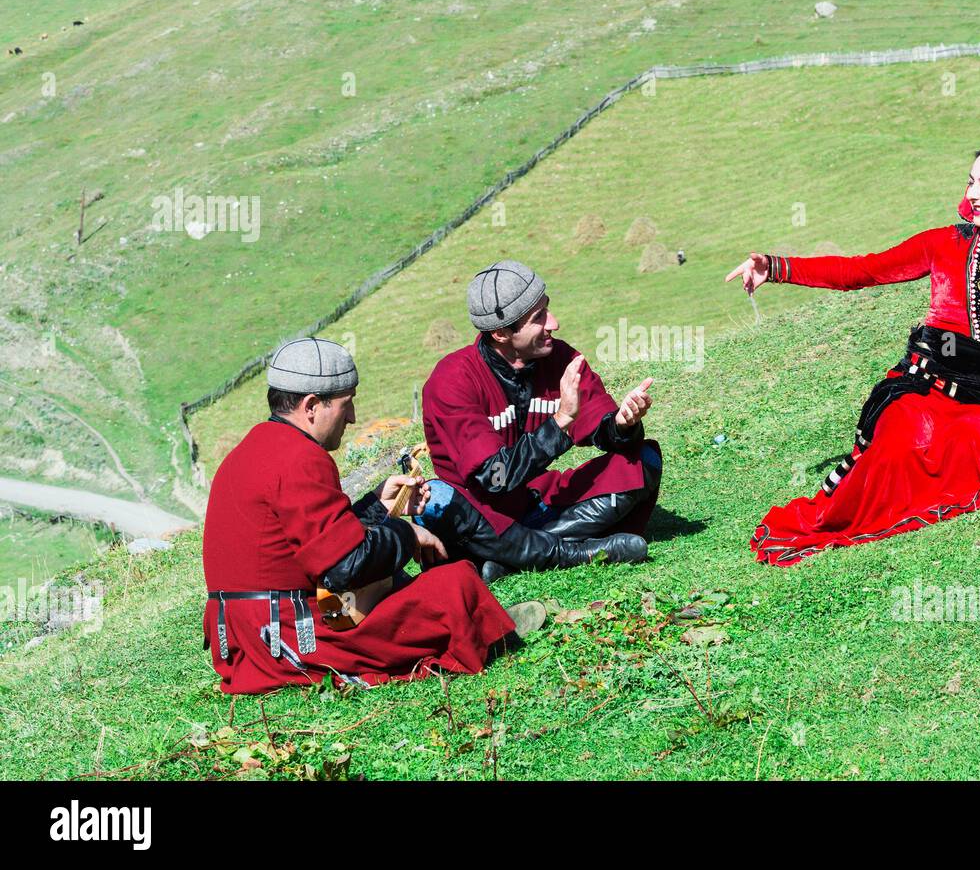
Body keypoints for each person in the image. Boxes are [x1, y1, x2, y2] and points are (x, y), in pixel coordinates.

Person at [726, 142, 980, 565]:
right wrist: (776, 267)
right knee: (906, 432)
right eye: (970, 182)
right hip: (925, 388)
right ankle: (843, 515)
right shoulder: (944, 243)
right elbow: (860, 272)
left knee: (976, 443)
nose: (972, 194)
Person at [202, 337, 519, 694]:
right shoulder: (301, 458)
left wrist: (377, 506)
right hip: (285, 638)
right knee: (453, 583)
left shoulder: (251, 449)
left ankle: (486, 623)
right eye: (346, 404)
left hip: (246, 638)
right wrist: (408, 534)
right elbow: (344, 568)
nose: (351, 418)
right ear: (311, 406)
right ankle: (492, 630)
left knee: (401, 581)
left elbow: (312, 542)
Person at [420, 260, 663, 583]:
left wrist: (622, 424)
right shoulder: (452, 380)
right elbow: (495, 478)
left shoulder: (559, 358)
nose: (555, 323)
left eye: (547, 309)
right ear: (501, 333)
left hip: (534, 499)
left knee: (643, 460)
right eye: (539, 318)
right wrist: (561, 421)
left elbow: (603, 428)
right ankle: (574, 553)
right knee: (434, 499)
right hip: (480, 517)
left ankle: (512, 559)